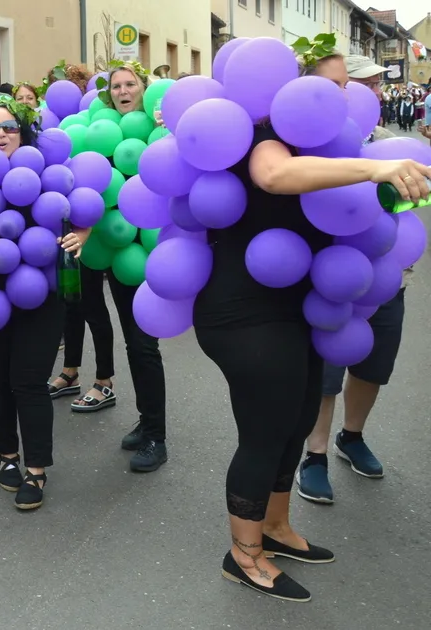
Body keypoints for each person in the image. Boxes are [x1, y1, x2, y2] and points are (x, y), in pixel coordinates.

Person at [194, 52, 431, 602]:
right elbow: (273, 176)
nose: (337, 98)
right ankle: (243, 554)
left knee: (298, 417)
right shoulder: (263, 136)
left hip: (290, 309)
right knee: (266, 428)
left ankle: (275, 529)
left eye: (345, 89)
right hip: (241, 313)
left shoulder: (329, 147)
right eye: (327, 87)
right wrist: (375, 168)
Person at [0, 99, 89, 511]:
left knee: (29, 382)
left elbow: (85, 205)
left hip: (38, 293)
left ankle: (36, 467)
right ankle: (7, 457)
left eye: (11, 126)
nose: (1, 134)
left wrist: (82, 234)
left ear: (25, 131)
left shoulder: (48, 174)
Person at [297, 55, 407, 504]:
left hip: (383, 277)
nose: (366, 92)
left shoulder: (388, 142)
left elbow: (406, 211)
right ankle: (315, 455)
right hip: (329, 277)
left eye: (370, 84)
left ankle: (352, 437)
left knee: (374, 366)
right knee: (326, 370)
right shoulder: (303, 142)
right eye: (349, 84)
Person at [49, 63, 169, 473]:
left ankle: (156, 434)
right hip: (102, 246)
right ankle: (145, 419)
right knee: (108, 328)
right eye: (115, 85)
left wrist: (166, 127)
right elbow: (89, 186)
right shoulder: (97, 128)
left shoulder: (156, 131)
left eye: (129, 84)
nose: (122, 90)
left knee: (141, 344)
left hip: (137, 252)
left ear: (143, 88)